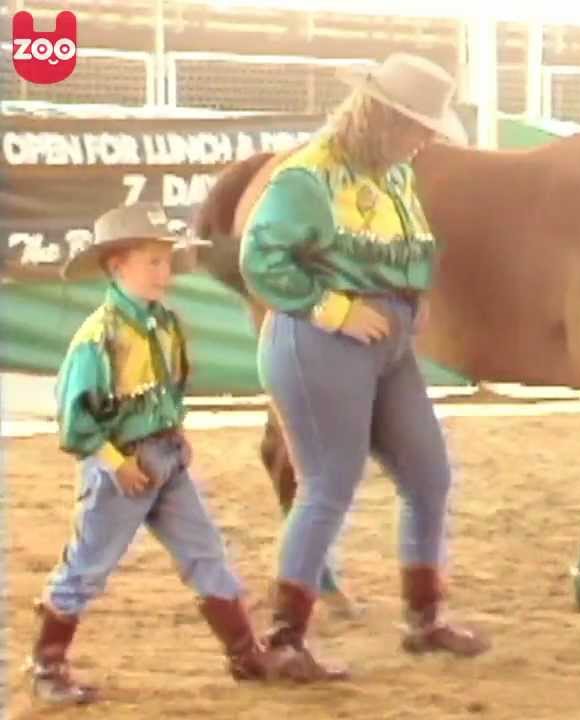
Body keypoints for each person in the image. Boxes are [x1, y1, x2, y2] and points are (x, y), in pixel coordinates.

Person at [240, 53, 488, 677]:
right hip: (320, 340)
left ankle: (424, 621)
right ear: (382, 118)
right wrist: (334, 309)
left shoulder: (395, 173)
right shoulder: (307, 177)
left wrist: (413, 294)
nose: (425, 140)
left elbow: (409, 247)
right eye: (417, 127)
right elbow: (261, 258)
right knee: (328, 483)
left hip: (385, 343)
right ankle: (285, 638)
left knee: (429, 475)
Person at [30, 202, 323, 705]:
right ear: (116, 266)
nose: (163, 272)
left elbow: (170, 387)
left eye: (166, 261)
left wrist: (175, 429)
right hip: (122, 467)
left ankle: (245, 654)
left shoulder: (165, 325)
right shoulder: (99, 338)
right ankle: (47, 665)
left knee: (205, 552)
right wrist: (116, 463)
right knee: (88, 564)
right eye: (152, 261)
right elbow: (76, 420)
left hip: (167, 460)